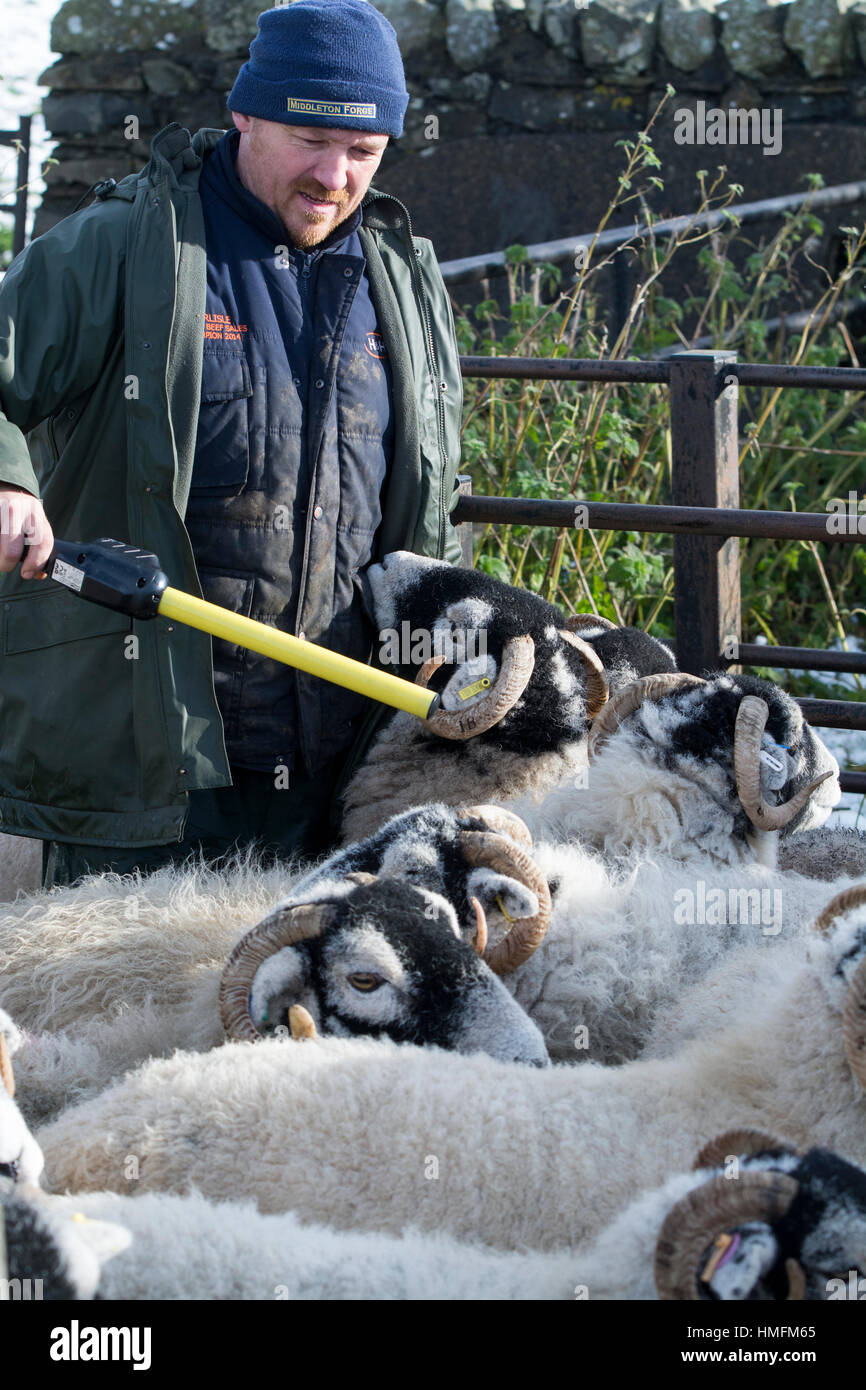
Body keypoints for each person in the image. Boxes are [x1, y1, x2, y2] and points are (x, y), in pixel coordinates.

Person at [0, 0, 464, 888]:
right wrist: (7, 480)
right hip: (148, 768)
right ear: (243, 113)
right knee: (124, 1022)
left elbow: (432, 500)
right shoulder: (123, 247)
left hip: (342, 769)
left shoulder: (405, 282)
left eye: (363, 152)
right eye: (307, 138)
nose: (334, 175)